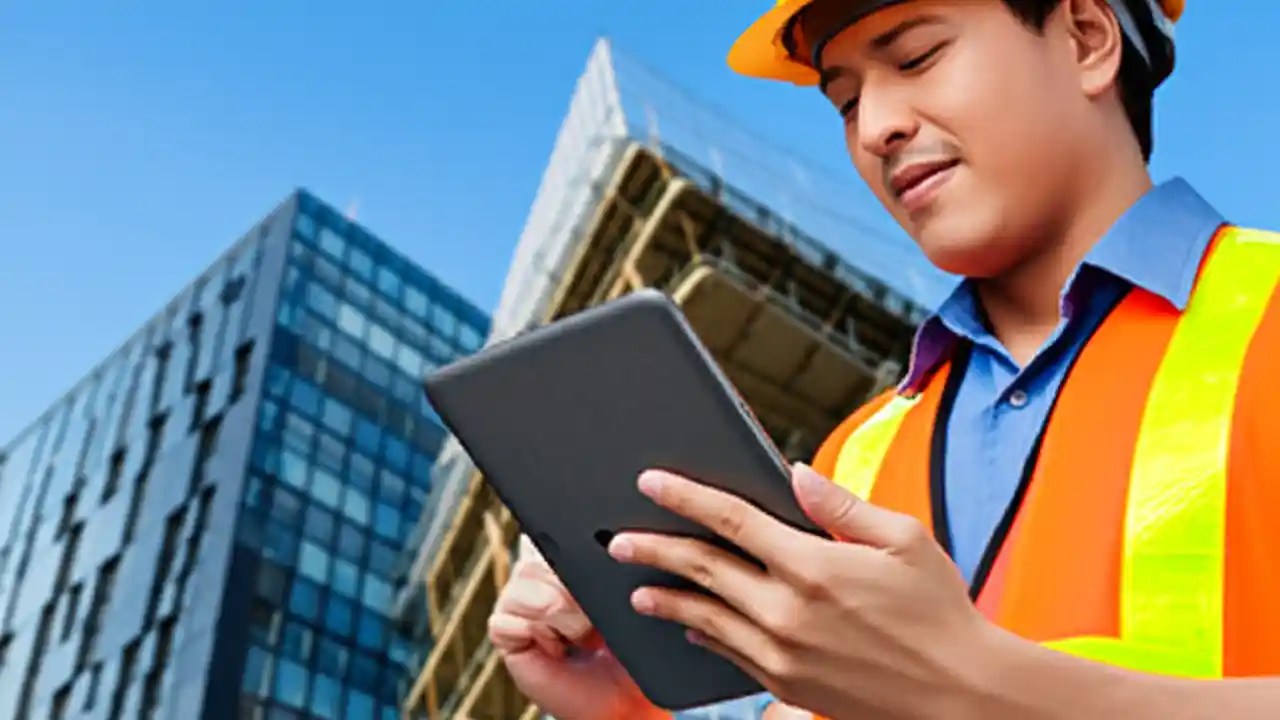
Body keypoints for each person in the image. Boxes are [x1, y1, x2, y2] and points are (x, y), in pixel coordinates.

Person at [486, 0, 1280, 717]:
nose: (876, 128)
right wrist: (632, 707)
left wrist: (976, 689)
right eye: (847, 101)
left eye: (917, 57)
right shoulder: (856, 457)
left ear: (1086, 37)